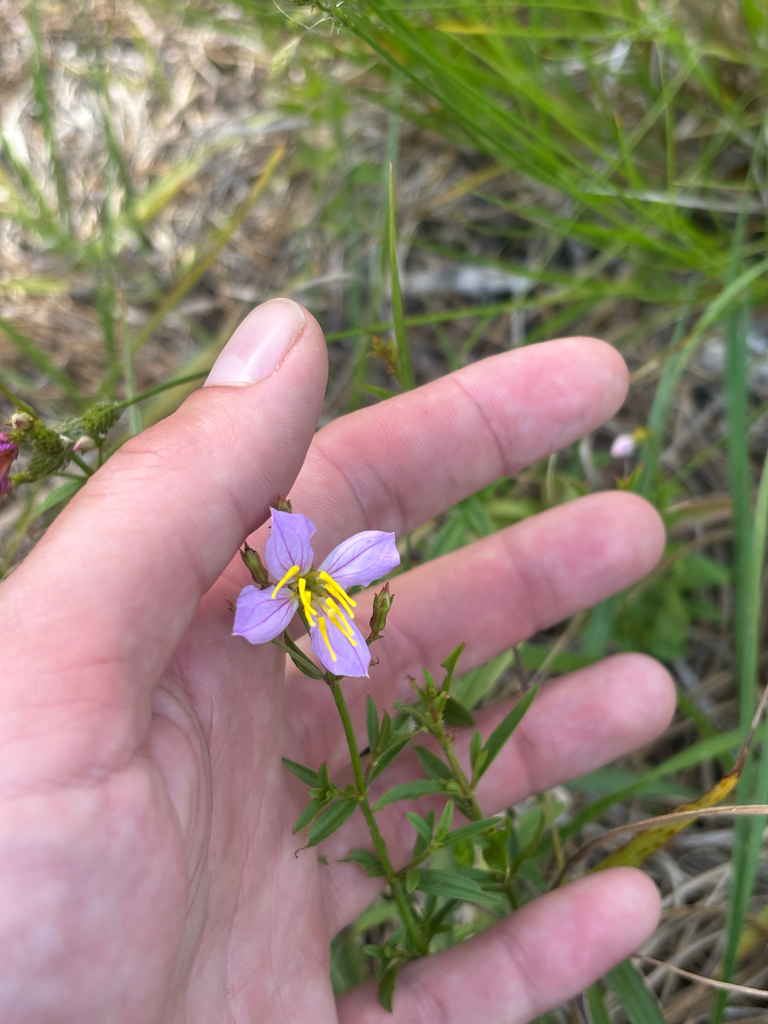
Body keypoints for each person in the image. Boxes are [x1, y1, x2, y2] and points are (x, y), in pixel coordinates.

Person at [0, 298, 675, 1022]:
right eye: (301, 585)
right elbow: (265, 614)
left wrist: (321, 599)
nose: (319, 594)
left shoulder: (321, 580)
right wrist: (301, 595)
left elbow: (340, 576)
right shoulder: (277, 602)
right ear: (283, 578)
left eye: (318, 586)